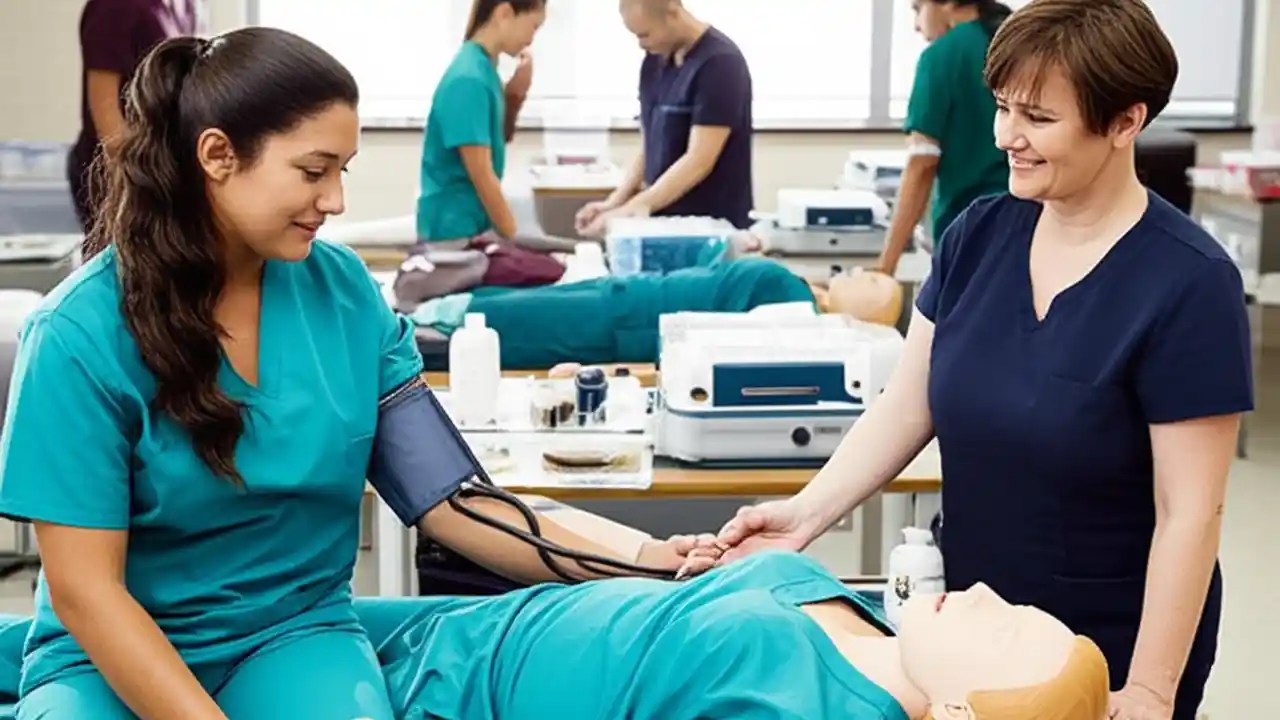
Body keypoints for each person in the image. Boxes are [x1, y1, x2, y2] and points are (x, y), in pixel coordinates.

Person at [0, 28, 716, 719]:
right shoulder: (77, 335)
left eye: (342, 171)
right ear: (217, 155)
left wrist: (649, 559)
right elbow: (87, 592)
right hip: (105, 655)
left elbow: (454, 502)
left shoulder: (344, 295)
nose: (336, 201)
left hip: (288, 635)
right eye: (313, 171)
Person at [699, 2, 1253, 720]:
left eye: (1038, 118)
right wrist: (805, 515)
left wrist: (1150, 687)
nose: (1006, 137)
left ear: (1125, 122)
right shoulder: (978, 236)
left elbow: (1190, 513)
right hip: (969, 630)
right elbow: (908, 403)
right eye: (1002, 108)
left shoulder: (1189, 282)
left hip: (1107, 647)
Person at [575, 0, 754, 235]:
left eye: (645, 34)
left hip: (711, 228)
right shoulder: (654, 62)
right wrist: (615, 201)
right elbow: (650, 145)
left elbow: (699, 160)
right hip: (662, 224)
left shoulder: (720, 63)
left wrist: (633, 208)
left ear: (673, 13)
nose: (641, 44)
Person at [875, 0, 1012, 277]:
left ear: (947, 4)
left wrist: (884, 268)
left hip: (972, 235)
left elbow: (921, 165)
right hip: (1037, 226)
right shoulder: (1018, 43)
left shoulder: (942, 56)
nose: (916, 26)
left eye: (917, 9)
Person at [416, 0, 544, 244]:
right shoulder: (468, 79)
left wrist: (515, 96)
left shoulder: (485, 69)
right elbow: (481, 173)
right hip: (453, 233)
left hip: (471, 226)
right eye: (533, 27)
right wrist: (516, 240)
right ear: (504, 13)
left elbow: (497, 139)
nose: (531, 39)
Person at [68, 0, 198, 231]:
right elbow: (107, 117)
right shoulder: (115, 7)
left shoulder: (188, 5)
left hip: (165, 166)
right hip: (121, 173)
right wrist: (141, 185)